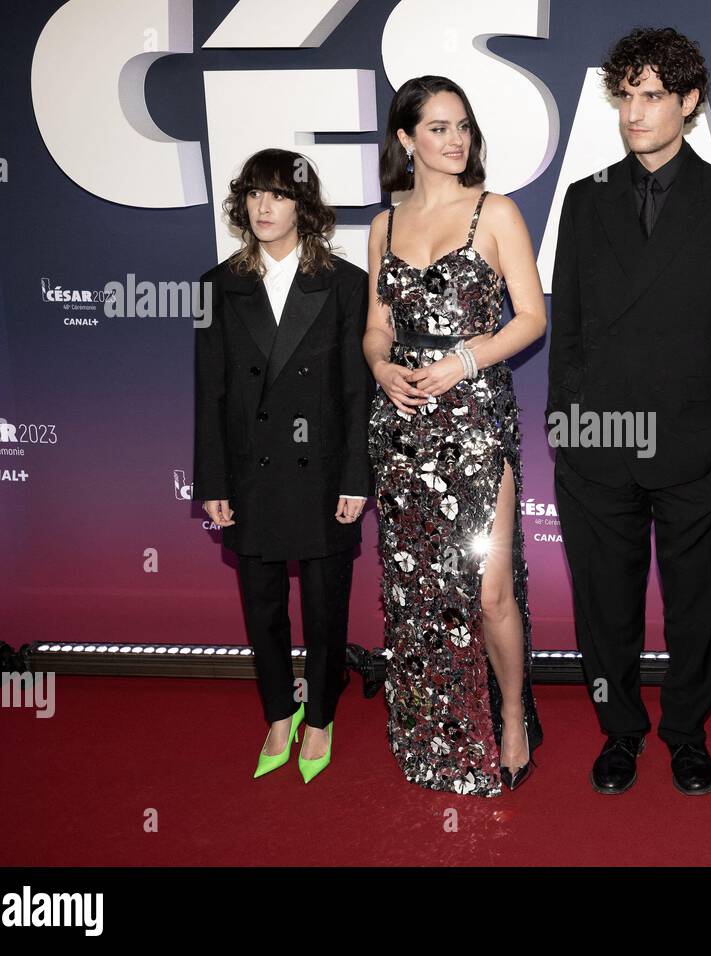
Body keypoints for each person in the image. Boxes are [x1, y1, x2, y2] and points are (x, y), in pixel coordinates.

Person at [549, 27, 711, 796]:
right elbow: (566, 326)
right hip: (596, 450)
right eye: (625, 97)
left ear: (689, 102)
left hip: (696, 448)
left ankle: (685, 732)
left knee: (697, 609)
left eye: (651, 97)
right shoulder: (584, 200)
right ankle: (619, 732)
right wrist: (566, 434)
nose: (634, 113)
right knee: (604, 608)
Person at [364, 76, 548, 796]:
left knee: (491, 589)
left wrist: (463, 360)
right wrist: (382, 367)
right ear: (406, 139)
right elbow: (376, 328)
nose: (456, 139)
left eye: (463, 125)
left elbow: (530, 318)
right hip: (403, 426)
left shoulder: (495, 212)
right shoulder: (383, 225)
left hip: (474, 423)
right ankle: (429, 723)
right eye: (438, 127)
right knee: (415, 592)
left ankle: (509, 717)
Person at [193, 147, 372, 784]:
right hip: (250, 473)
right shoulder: (217, 286)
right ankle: (277, 713)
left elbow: (357, 392)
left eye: (279, 194)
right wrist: (211, 481)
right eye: (254, 194)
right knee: (261, 603)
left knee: (326, 607)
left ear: (304, 206)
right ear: (242, 204)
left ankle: (318, 715)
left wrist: (357, 476)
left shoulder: (347, 284)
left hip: (323, 474)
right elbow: (209, 392)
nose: (265, 206)